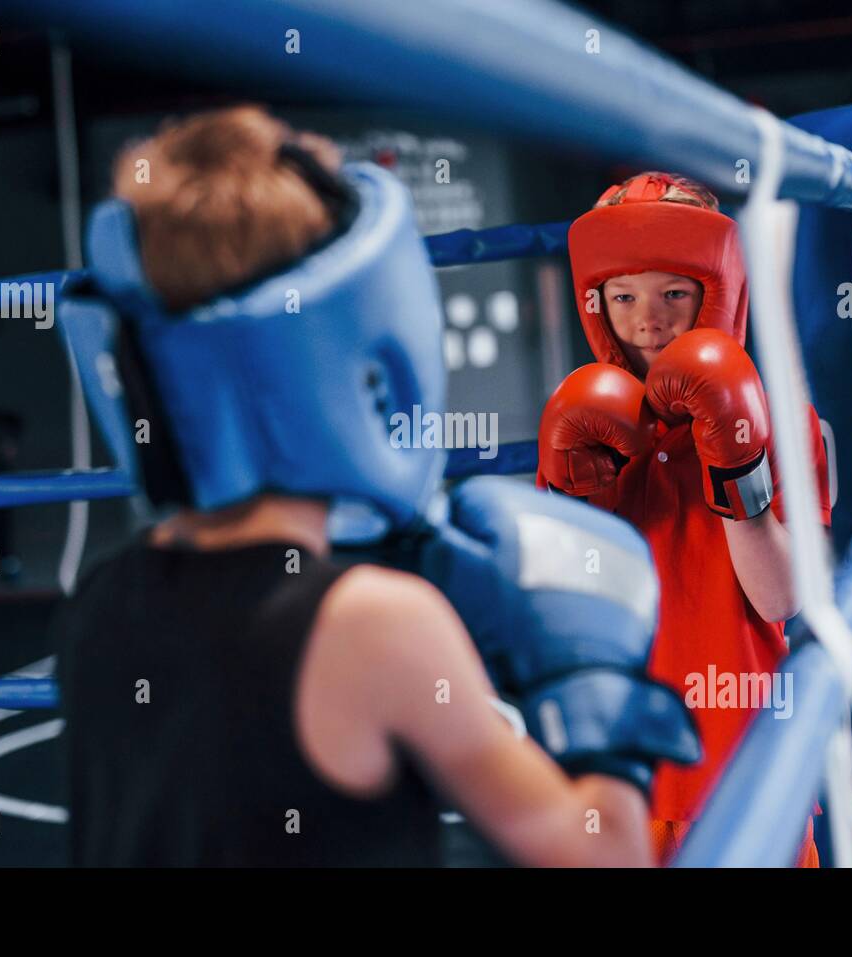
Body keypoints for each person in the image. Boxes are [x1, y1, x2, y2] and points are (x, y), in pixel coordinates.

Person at [54, 107, 693, 867]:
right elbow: (603, 856)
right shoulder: (376, 625)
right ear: (358, 326)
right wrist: (593, 683)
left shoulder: (95, 601)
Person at [537, 172, 831, 866]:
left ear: (716, 293)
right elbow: (556, 612)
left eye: (674, 291)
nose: (648, 318)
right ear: (596, 303)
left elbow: (780, 597)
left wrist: (735, 463)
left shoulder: (785, 421)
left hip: (743, 756)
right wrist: (573, 492)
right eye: (625, 294)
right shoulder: (581, 425)